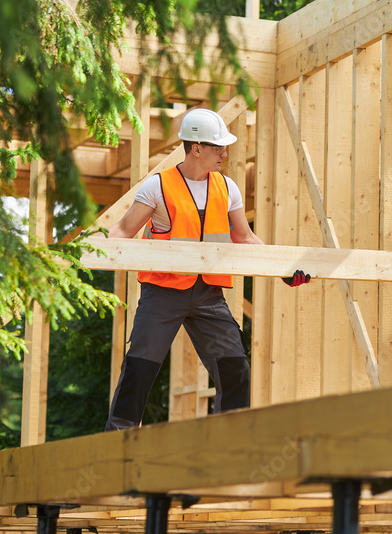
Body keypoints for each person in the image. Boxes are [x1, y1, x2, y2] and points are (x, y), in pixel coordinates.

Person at [103, 107, 309, 431]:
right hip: (162, 293)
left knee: (236, 370)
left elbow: (245, 237)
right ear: (196, 148)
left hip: (208, 296)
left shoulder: (228, 188)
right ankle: (115, 447)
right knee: (139, 370)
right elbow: (122, 231)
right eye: (218, 147)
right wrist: (81, 250)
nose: (224, 153)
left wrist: (284, 268)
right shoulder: (157, 187)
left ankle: (226, 448)